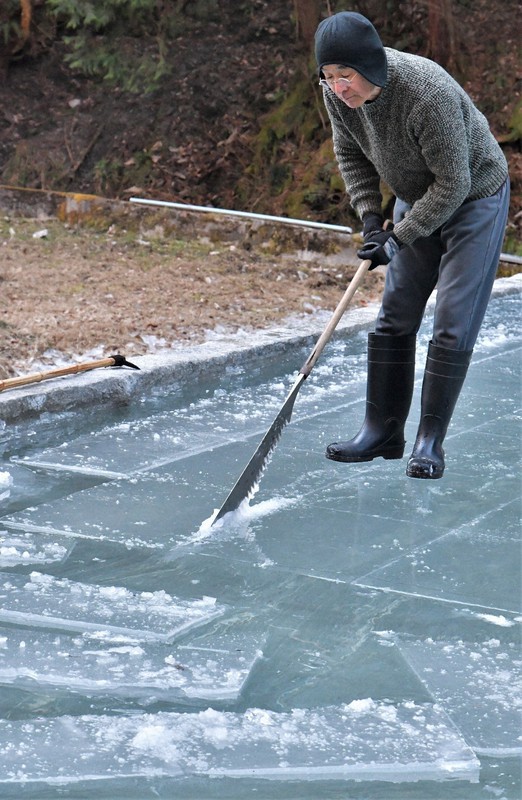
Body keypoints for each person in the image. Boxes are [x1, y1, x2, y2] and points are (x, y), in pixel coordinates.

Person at [314, 11, 510, 479]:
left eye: (347, 75)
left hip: (473, 198)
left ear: (372, 66)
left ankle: (429, 442)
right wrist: (369, 220)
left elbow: (453, 183)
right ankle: (381, 432)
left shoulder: (427, 93)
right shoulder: (337, 97)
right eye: (329, 76)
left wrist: (398, 238)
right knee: (394, 317)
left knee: (452, 322)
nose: (340, 88)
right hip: (414, 196)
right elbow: (350, 153)